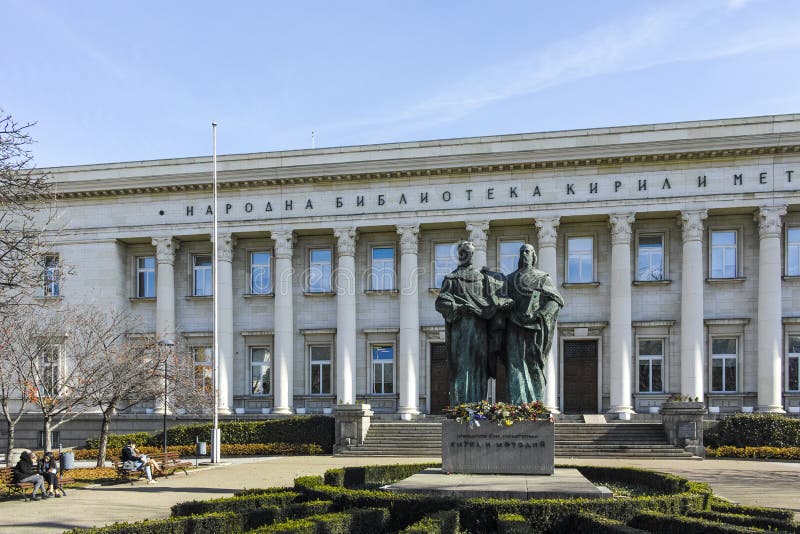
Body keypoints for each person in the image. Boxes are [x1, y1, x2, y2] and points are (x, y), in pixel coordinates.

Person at [435, 241, 506, 405]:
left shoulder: (483, 278)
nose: (465, 255)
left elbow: (493, 299)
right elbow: (440, 302)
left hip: (480, 330)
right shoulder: (451, 279)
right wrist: (458, 307)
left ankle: (478, 405)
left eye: (468, 252)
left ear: (473, 255)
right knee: (461, 367)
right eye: (462, 252)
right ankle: (461, 407)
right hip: (460, 330)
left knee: (479, 368)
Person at [502, 244, 564, 404]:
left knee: (534, 364)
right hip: (514, 327)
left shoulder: (542, 277)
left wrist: (540, 315)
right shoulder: (509, 279)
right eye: (521, 251)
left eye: (527, 252)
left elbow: (556, 300)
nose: (524, 254)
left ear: (533, 255)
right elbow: (500, 301)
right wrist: (505, 303)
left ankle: (535, 405)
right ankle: (516, 405)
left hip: (535, 328)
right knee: (514, 365)